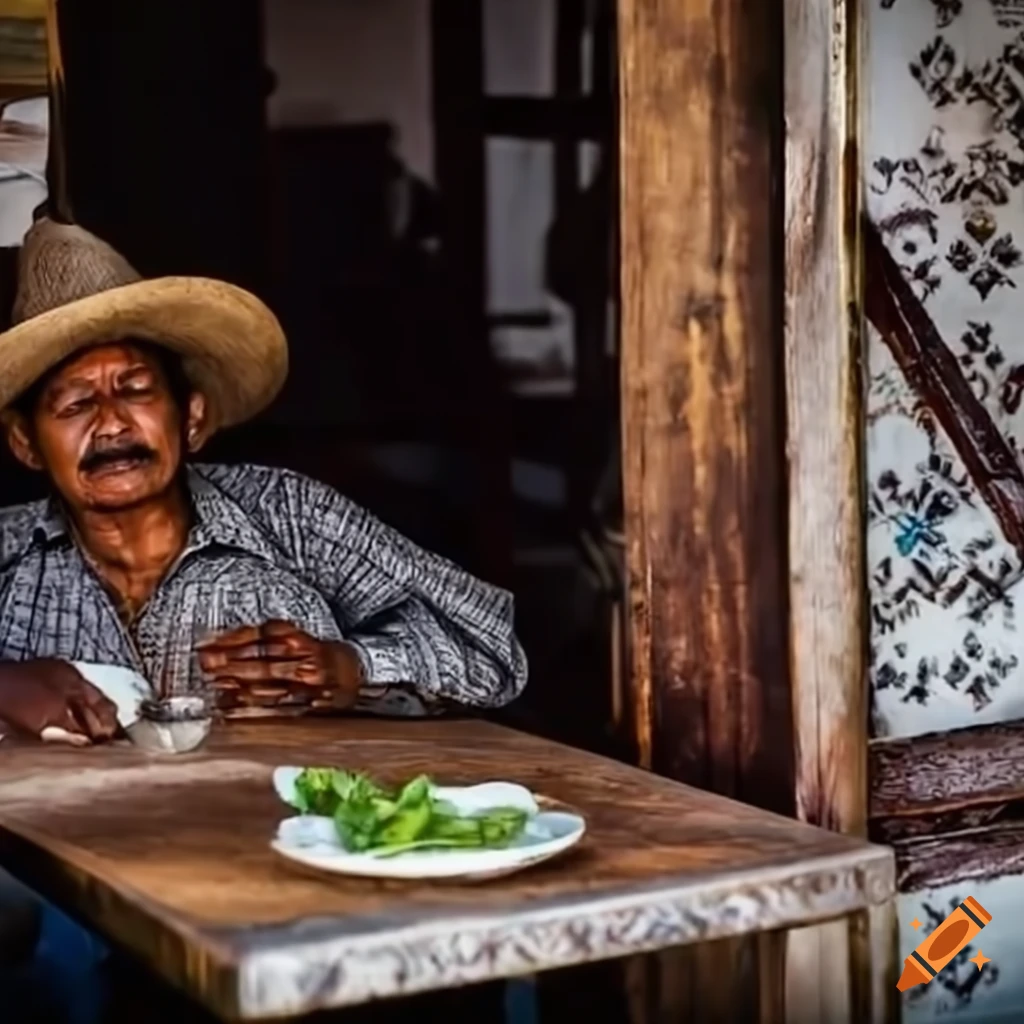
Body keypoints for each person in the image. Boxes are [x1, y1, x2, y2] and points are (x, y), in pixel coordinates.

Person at [0, 215, 527, 1020]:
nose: (111, 425)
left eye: (137, 391)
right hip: (91, 928)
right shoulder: (4, 555)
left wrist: (354, 668)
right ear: (26, 444)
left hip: (309, 906)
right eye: (73, 403)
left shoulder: (292, 516)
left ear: (194, 417)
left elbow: (493, 646)